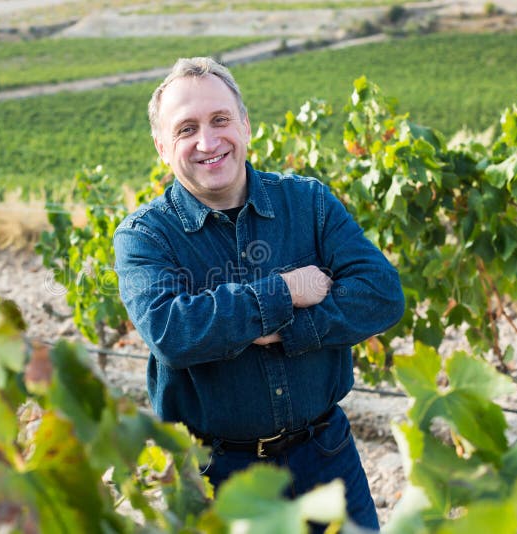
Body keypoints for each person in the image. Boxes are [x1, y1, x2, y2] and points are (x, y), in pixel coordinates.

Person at [113, 56, 404, 531]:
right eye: (186, 129)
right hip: (214, 478)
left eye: (220, 120)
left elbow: (381, 294)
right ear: (163, 147)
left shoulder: (308, 203)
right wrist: (286, 292)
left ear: (246, 126)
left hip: (325, 458)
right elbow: (172, 332)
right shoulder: (146, 237)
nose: (208, 142)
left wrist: (282, 331)